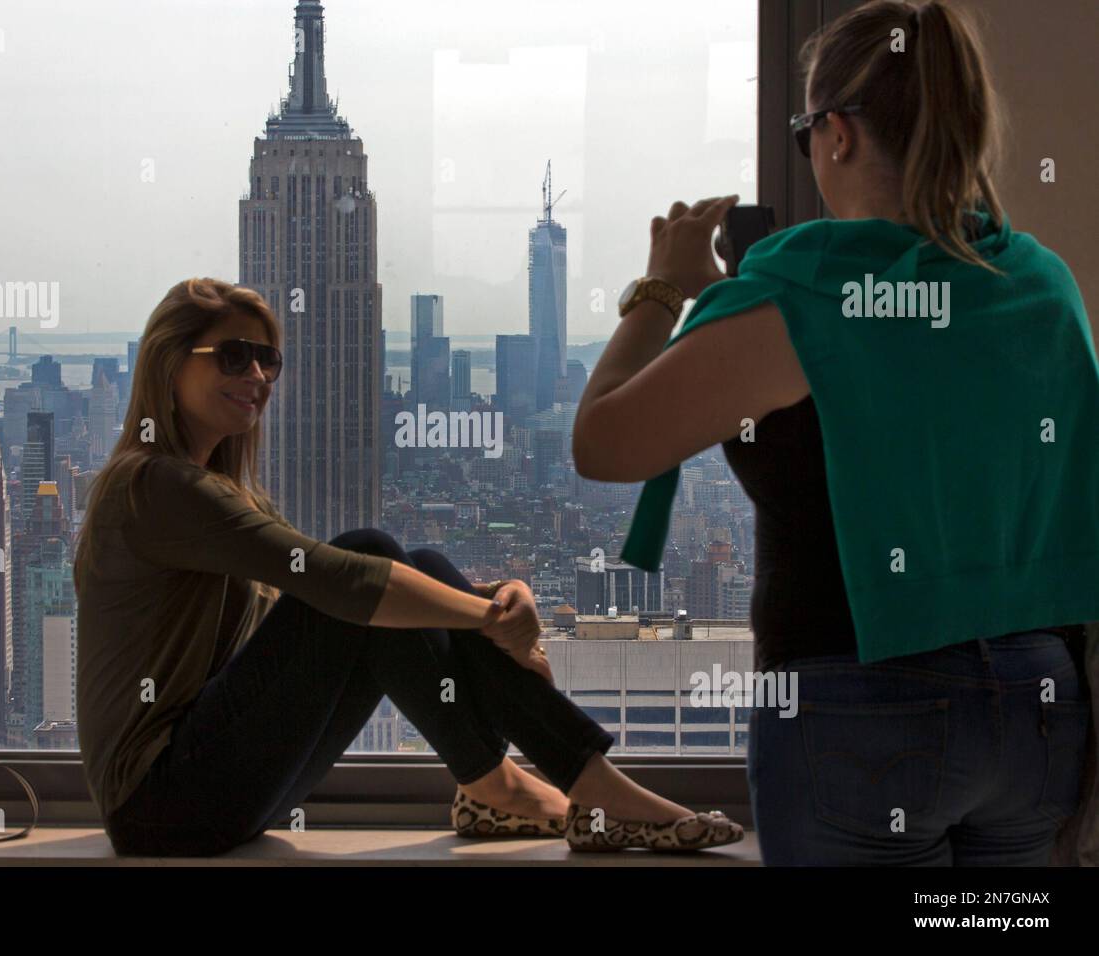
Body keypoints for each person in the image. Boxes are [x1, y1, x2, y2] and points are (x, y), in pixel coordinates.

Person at [573, 0, 1098, 865]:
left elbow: (604, 442)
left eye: (801, 130)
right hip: (1041, 708)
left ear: (839, 134)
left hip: (860, 708)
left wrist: (663, 287)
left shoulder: (806, 298)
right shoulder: (1042, 286)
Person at [72, 277, 743, 857]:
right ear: (168, 362)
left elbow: (319, 616)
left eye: (268, 360)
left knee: (409, 563)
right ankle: (548, 785)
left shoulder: (213, 491)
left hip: (209, 792)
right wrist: (494, 620)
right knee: (369, 556)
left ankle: (499, 787)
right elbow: (341, 579)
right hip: (161, 806)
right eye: (234, 356)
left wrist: (494, 599)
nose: (257, 377)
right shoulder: (154, 486)